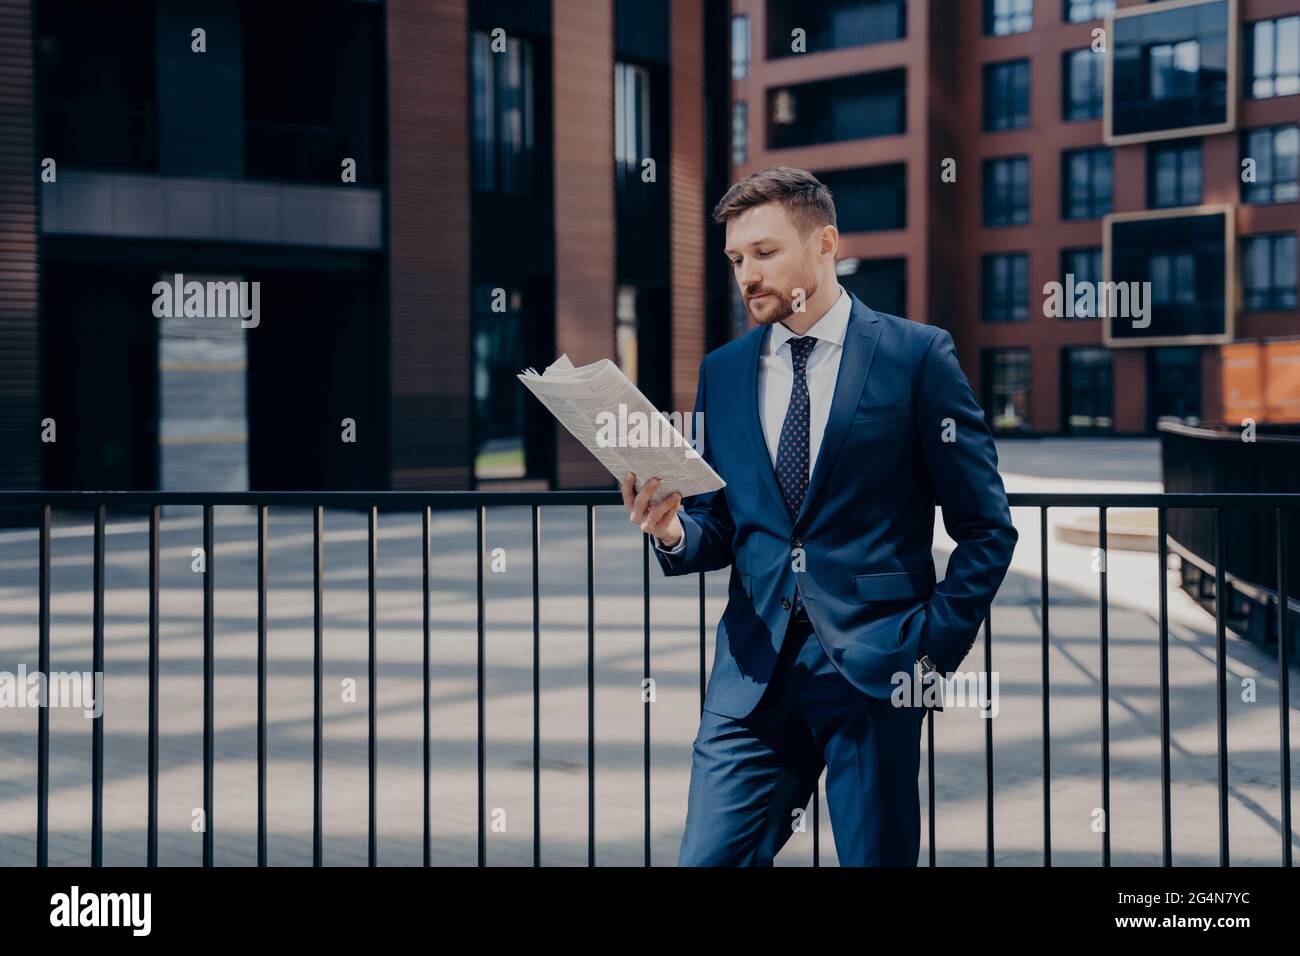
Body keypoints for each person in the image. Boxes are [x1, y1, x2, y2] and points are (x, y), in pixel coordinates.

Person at [620, 166, 1017, 866]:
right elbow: (721, 525)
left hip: (876, 670)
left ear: (825, 243)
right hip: (751, 676)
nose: (747, 275)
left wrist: (928, 651)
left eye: (764, 252)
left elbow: (987, 528)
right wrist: (673, 530)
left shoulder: (916, 356)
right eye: (736, 259)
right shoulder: (723, 370)